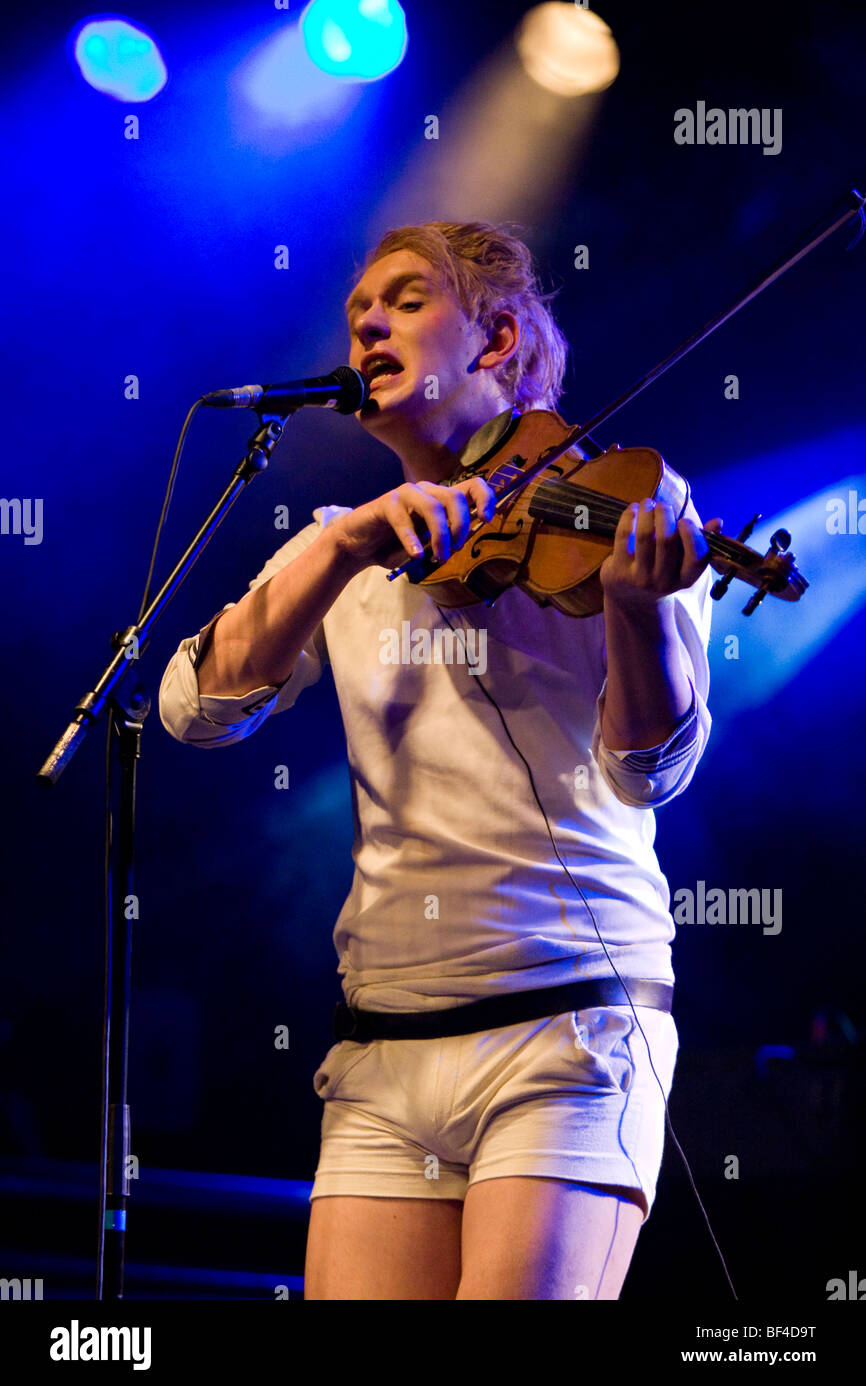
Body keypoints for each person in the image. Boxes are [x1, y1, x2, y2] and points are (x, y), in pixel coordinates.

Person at [158, 221, 720, 1300]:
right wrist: (340, 544)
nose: (365, 320)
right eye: (357, 309)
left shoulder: (624, 510)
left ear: (497, 338)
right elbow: (197, 710)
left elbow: (647, 771)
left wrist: (635, 613)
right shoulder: (349, 544)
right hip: (382, 1043)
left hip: (568, 1028)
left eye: (405, 300)